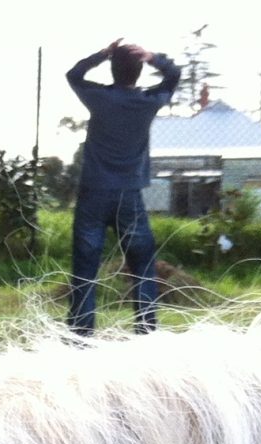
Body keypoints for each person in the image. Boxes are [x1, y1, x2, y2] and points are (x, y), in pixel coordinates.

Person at [66, 39, 181, 334]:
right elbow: (174, 77)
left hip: (93, 192)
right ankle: (145, 333)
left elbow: (74, 75)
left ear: (113, 70)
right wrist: (155, 58)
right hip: (129, 196)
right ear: (138, 72)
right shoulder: (147, 102)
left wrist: (100, 54)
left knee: (85, 270)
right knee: (143, 267)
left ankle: (81, 336)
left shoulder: (100, 98)